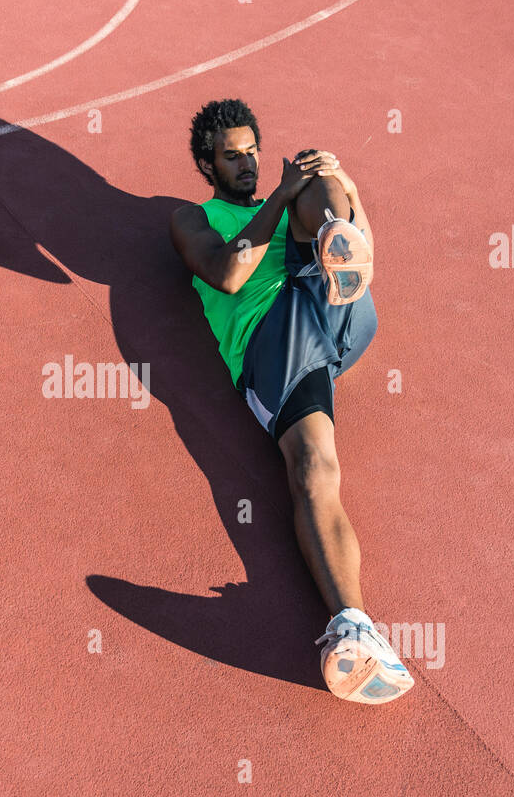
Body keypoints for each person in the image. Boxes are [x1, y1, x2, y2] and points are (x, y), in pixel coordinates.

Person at [168, 99, 413, 704]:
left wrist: (341, 188)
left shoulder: (287, 202)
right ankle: (352, 627)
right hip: (276, 334)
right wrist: (280, 195)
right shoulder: (193, 217)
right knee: (315, 465)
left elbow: (361, 248)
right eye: (233, 156)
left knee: (322, 177)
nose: (248, 163)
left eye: (253, 150)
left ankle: (339, 240)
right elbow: (226, 275)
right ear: (208, 164)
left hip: (335, 305)